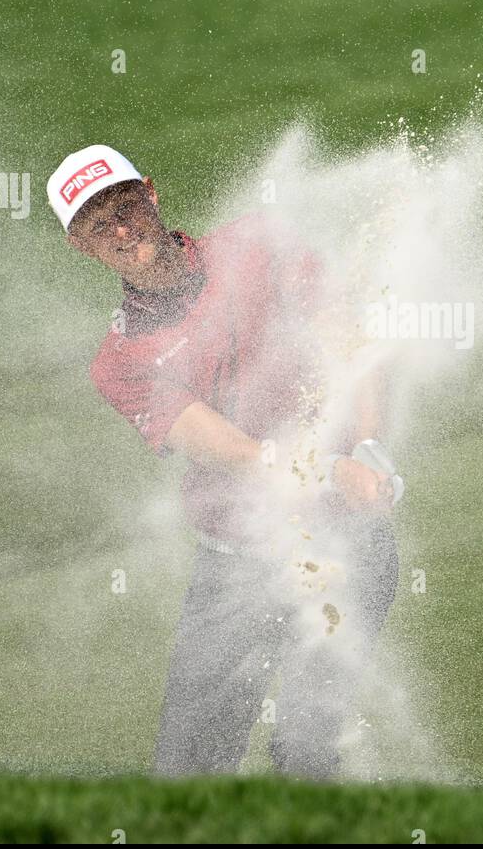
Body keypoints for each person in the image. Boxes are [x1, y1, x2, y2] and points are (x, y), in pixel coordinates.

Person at [46, 144, 400, 778]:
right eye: (101, 226)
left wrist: (368, 444)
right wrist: (329, 470)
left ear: (150, 193)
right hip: (233, 568)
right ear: (82, 246)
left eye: (126, 207)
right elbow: (236, 452)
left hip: (347, 545)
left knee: (306, 751)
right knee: (186, 771)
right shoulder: (121, 363)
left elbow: (344, 335)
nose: (124, 231)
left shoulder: (258, 243)